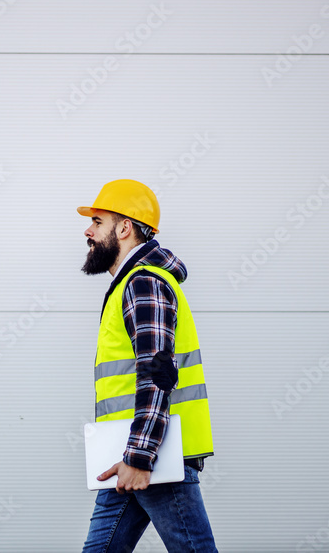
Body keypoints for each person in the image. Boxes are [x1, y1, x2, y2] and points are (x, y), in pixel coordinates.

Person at [78, 179, 218, 553]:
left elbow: (158, 376)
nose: (88, 231)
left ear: (125, 227)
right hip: (130, 454)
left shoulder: (143, 284)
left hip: (151, 456)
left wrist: (140, 457)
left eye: (97, 222)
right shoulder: (132, 282)